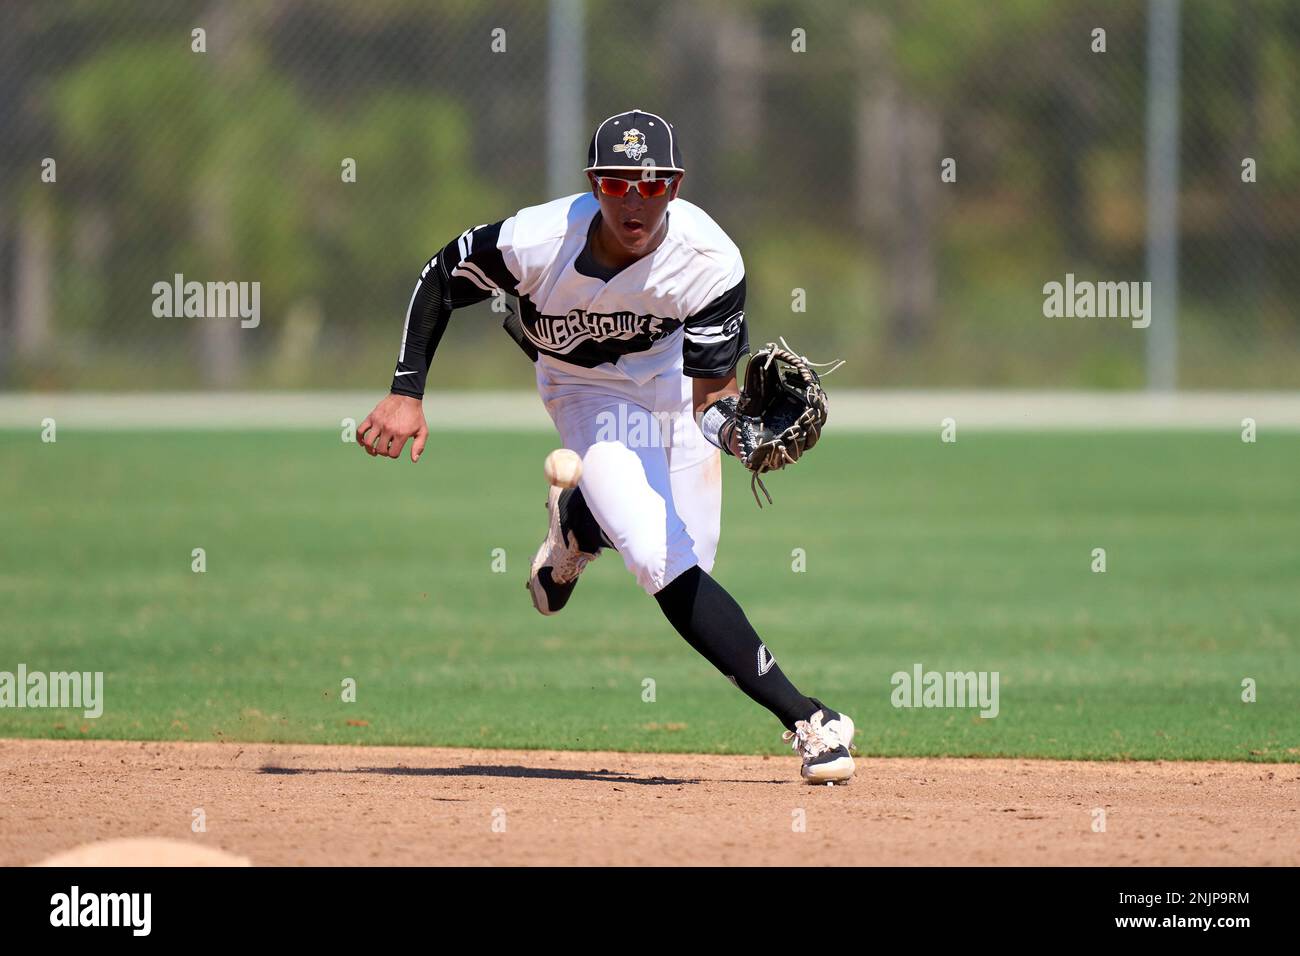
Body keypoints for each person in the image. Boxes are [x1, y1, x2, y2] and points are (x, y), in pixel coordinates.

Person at [356, 109, 855, 783]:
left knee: (691, 558)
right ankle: (810, 720)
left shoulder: (709, 262)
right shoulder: (535, 241)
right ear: (596, 184)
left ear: (674, 187)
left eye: (651, 184)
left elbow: (709, 397)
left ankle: (578, 524)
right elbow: (442, 277)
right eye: (619, 183)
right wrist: (406, 390)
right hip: (585, 390)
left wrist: (736, 433)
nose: (635, 199)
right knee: (658, 557)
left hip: (673, 383)